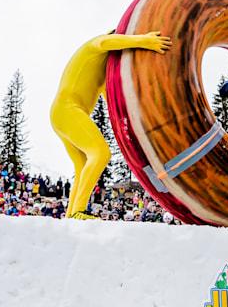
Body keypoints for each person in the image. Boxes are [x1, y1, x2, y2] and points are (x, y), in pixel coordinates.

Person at [51, 30, 172, 218]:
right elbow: (104, 43)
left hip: (62, 113)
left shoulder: (100, 71)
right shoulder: (96, 45)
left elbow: (112, 103)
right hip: (68, 110)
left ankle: (71, 215)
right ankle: (78, 211)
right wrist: (144, 41)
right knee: (100, 153)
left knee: (82, 166)